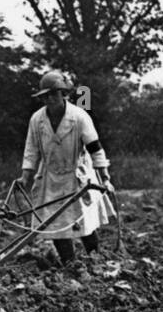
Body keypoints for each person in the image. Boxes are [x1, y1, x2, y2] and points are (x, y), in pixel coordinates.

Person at [19, 71, 113, 267]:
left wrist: (105, 177)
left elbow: (94, 147)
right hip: (50, 176)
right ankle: (70, 264)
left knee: (83, 221)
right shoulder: (37, 120)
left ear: (64, 94)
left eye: (54, 94)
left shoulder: (79, 116)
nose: (50, 99)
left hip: (76, 174)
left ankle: (95, 260)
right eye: (45, 96)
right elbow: (31, 150)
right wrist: (25, 176)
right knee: (55, 224)